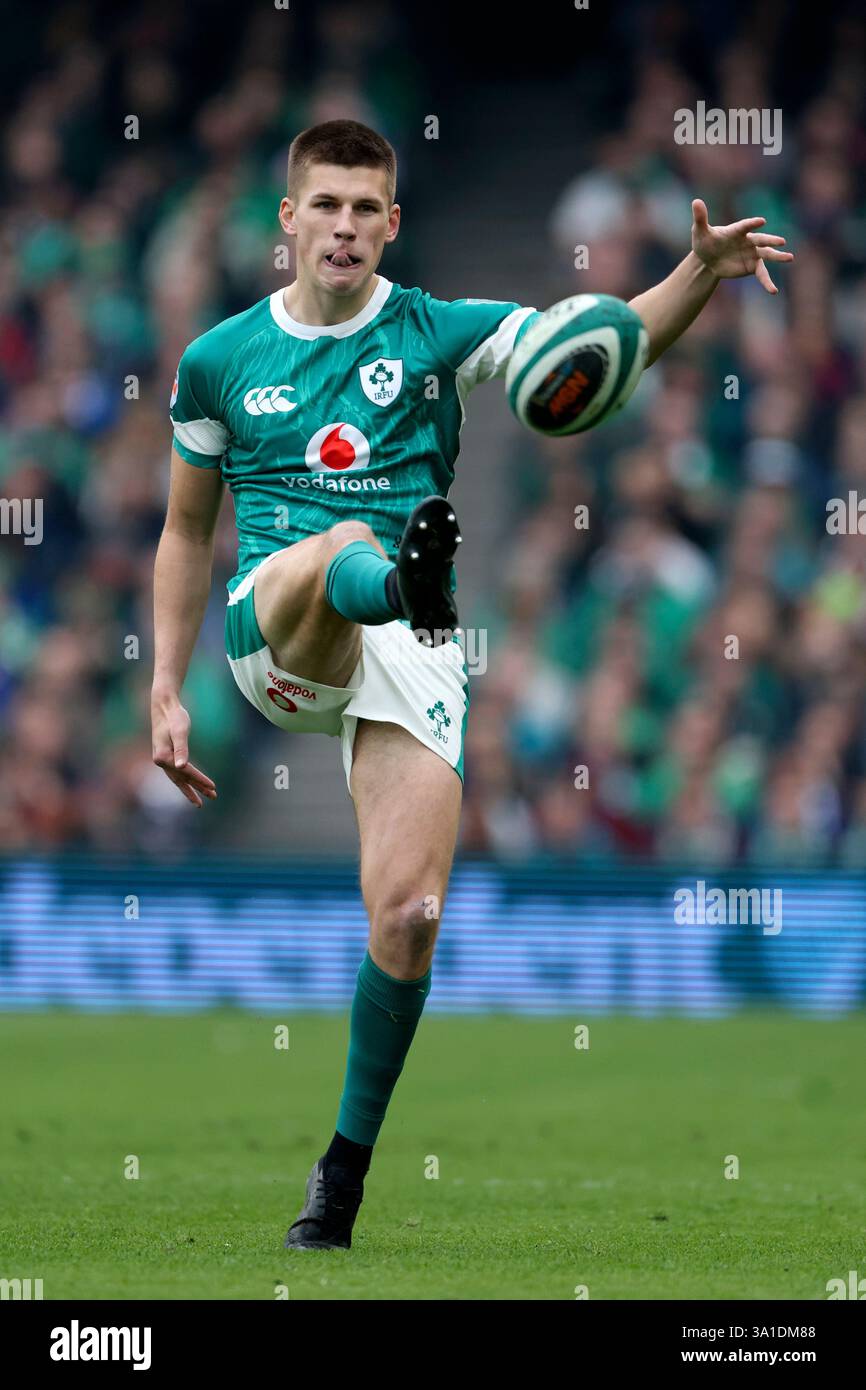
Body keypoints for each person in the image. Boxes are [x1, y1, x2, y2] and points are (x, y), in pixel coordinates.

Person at [150, 118, 792, 1250]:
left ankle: (339, 1178)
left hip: (409, 640)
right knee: (332, 543)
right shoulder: (217, 360)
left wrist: (696, 270)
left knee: (409, 916)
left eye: (364, 208)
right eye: (324, 205)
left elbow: (593, 347)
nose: (342, 227)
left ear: (391, 223)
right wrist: (163, 687)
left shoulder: (436, 329)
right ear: (285, 222)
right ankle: (395, 580)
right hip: (281, 631)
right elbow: (182, 528)